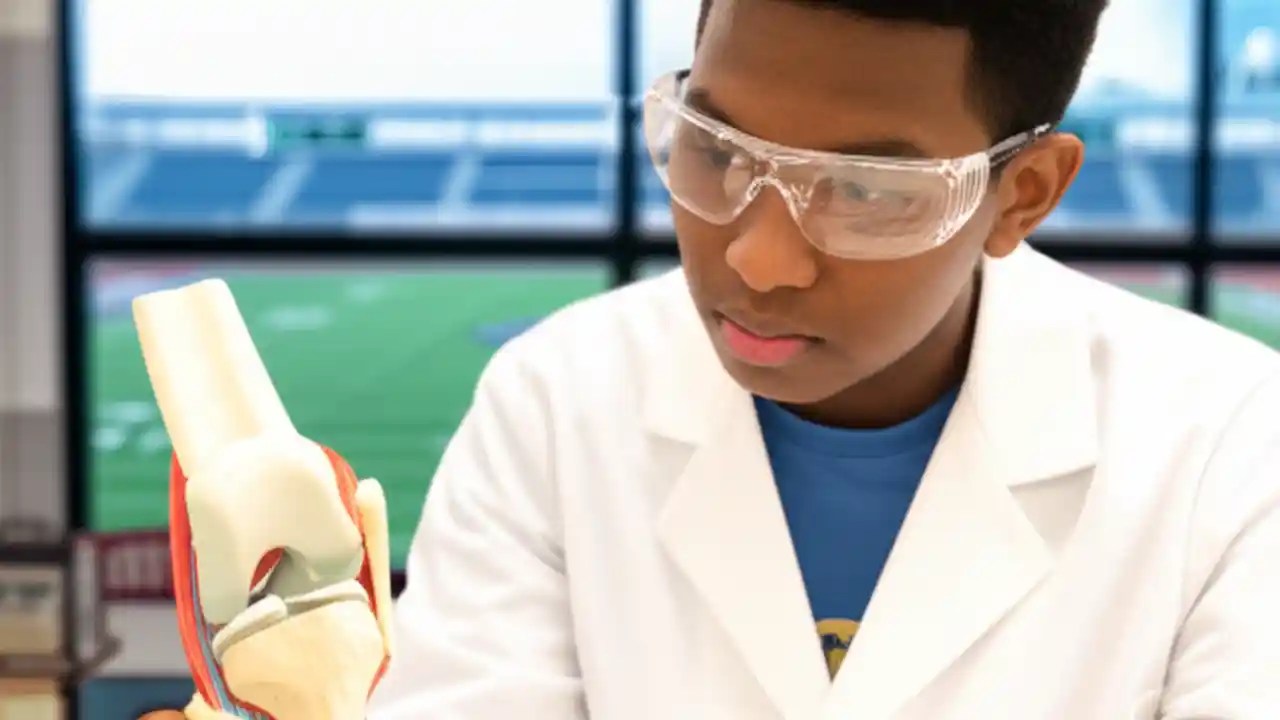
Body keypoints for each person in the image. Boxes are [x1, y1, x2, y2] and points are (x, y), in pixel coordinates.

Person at [144, 0, 1280, 717]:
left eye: (867, 191)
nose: (761, 255)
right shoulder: (558, 400)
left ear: (1018, 195)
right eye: (714, 148)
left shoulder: (1230, 445)